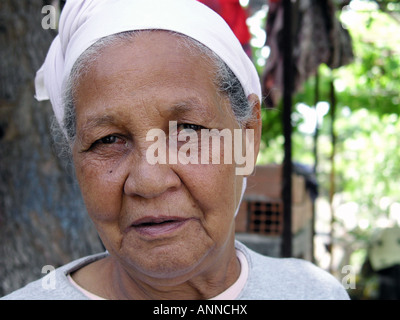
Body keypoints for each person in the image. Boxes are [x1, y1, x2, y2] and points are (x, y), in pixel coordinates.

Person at [2, 0, 349, 300]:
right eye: (107, 139)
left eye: (188, 130)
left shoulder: (313, 291)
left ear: (247, 139)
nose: (150, 180)